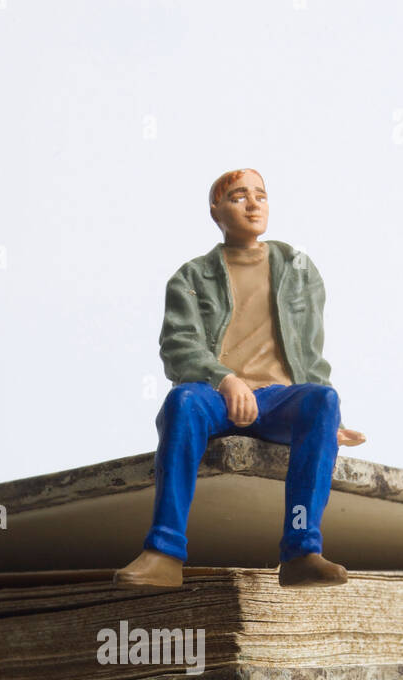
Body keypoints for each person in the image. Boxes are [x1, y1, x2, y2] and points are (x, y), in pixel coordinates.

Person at [115, 167, 364, 588]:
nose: (253, 205)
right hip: (216, 398)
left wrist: (327, 420)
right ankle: (164, 552)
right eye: (239, 196)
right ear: (216, 209)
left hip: (278, 400)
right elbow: (178, 346)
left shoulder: (297, 268)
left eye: (260, 196)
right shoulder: (191, 277)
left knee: (323, 401)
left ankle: (301, 550)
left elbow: (311, 351)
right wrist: (225, 379)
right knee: (182, 402)